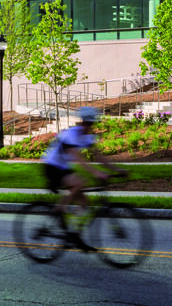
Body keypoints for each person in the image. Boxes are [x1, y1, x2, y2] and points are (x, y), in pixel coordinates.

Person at [39, 106, 119, 249]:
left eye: (91, 123)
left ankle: (75, 236)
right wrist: (97, 173)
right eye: (88, 123)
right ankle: (59, 210)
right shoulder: (71, 134)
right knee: (80, 182)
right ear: (82, 121)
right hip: (51, 166)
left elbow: (100, 156)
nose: (89, 126)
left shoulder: (87, 137)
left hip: (63, 167)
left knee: (84, 204)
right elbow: (79, 159)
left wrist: (117, 170)